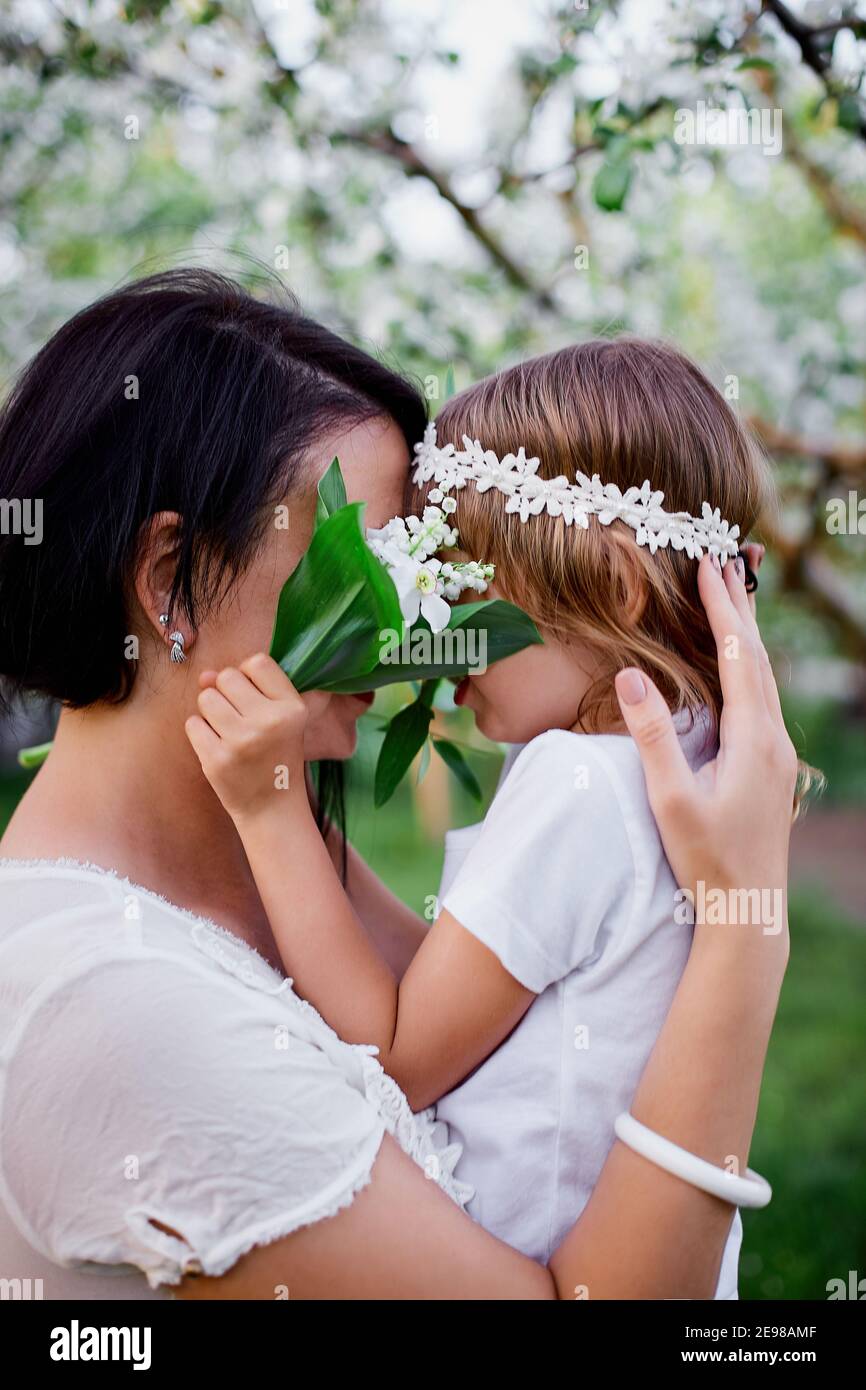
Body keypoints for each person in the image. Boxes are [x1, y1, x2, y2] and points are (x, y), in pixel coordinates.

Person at [0, 271, 796, 1299]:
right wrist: (743, 935)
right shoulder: (105, 996)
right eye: (382, 565)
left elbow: (461, 1019)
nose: (419, 632)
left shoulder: (245, 878)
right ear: (169, 580)